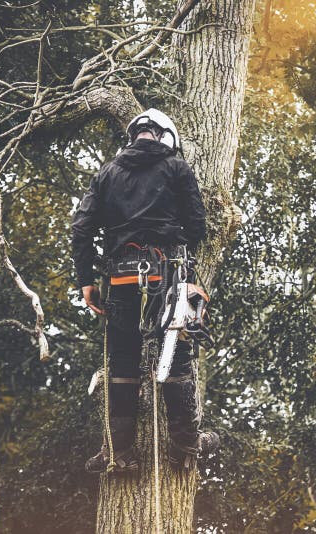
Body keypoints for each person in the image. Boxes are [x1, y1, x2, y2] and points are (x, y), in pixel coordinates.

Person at [71, 108, 219, 473]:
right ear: (166, 136)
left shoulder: (107, 172)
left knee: (122, 365)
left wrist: (86, 282)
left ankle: (121, 455)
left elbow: (81, 229)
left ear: (134, 136)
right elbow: (197, 227)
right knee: (177, 360)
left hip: (119, 282)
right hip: (167, 278)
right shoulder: (177, 167)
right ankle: (184, 447)